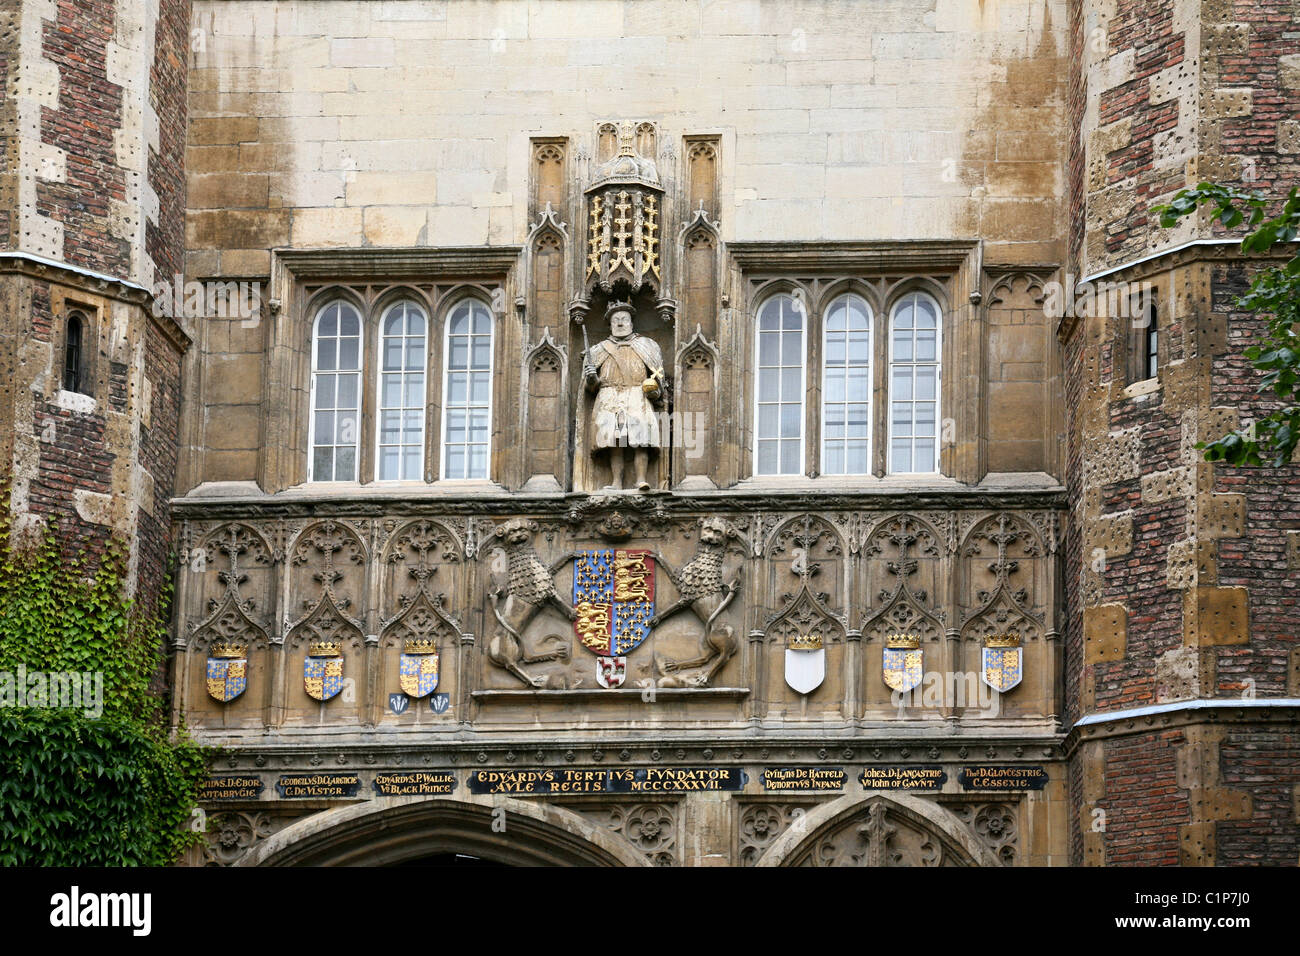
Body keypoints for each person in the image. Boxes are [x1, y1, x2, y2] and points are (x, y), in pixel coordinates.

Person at [583, 302, 666, 491]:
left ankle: (641, 479)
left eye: (624, 319)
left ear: (631, 322)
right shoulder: (599, 350)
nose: (620, 323)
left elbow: (658, 377)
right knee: (615, 441)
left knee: (641, 439)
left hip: (637, 394)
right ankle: (616, 482)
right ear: (610, 324)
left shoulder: (647, 345)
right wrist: (591, 378)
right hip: (610, 396)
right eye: (616, 320)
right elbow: (590, 388)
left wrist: (654, 389)